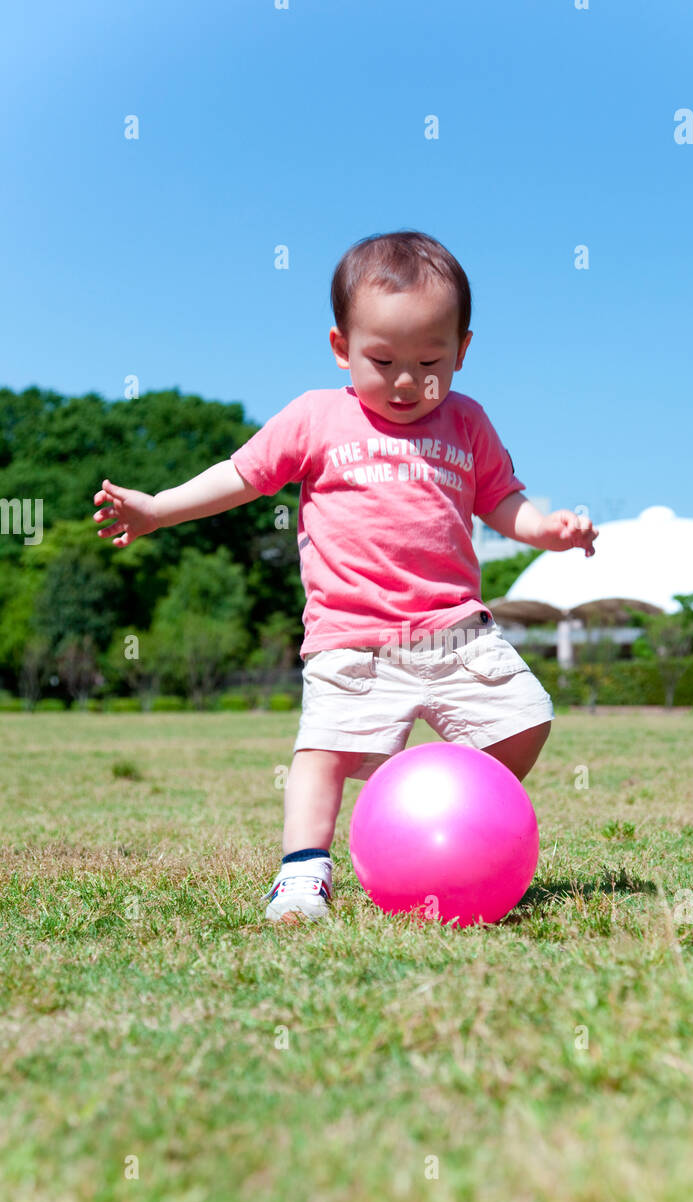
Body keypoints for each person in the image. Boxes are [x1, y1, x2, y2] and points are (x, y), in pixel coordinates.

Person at [92, 230, 597, 924]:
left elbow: (503, 500)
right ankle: (303, 874)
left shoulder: (467, 422)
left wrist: (546, 530)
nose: (406, 380)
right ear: (341, 348)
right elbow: (241, 475)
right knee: (322, 755)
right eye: (382, 360)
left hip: (454, 631)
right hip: (352, 637)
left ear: (463, 352)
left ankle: (437, 811)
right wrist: (157, 509)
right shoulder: (316, 417)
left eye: (430, 361)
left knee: (526, 719)